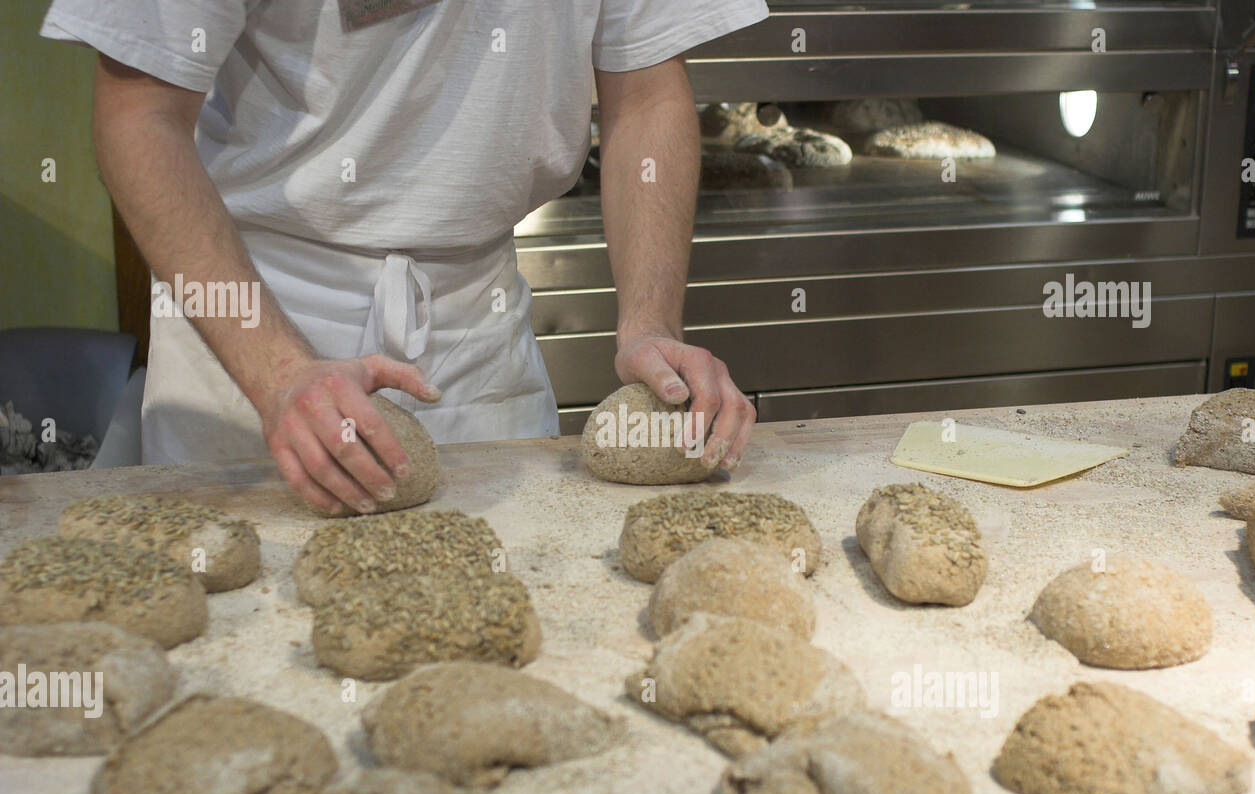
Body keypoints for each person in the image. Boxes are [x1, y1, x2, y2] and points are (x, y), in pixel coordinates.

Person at [41, 0, 765, 514]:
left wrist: (650, 323)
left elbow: (645, 93)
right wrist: (278, 374)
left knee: (503, 616)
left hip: (476, 317)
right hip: (256, 311)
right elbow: (140, 118)